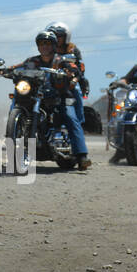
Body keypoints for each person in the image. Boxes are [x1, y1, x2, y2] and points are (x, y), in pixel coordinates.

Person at [18, 30, 90, 170]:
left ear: (53, 46)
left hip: (60, 96)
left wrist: (72, 73)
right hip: (38, 95)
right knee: (19, 99)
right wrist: (6, 70)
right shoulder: (33, 61)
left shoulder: (60, 60)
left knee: (70, 117)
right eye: (41, 43)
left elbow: (74, 68)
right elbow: (20, 66)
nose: (44, 46)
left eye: (48, 43)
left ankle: (82, 156)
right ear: (38, 46)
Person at [46, 21, 88, 137]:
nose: (57, 38)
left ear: (66, 37)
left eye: (60, 36)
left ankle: (79, 123)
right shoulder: (47, 48)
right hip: (49, 78)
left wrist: (74, 76)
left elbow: (80, 66)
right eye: (54, 35)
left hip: (68, 78)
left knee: (77, 91)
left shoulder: (72, 49)